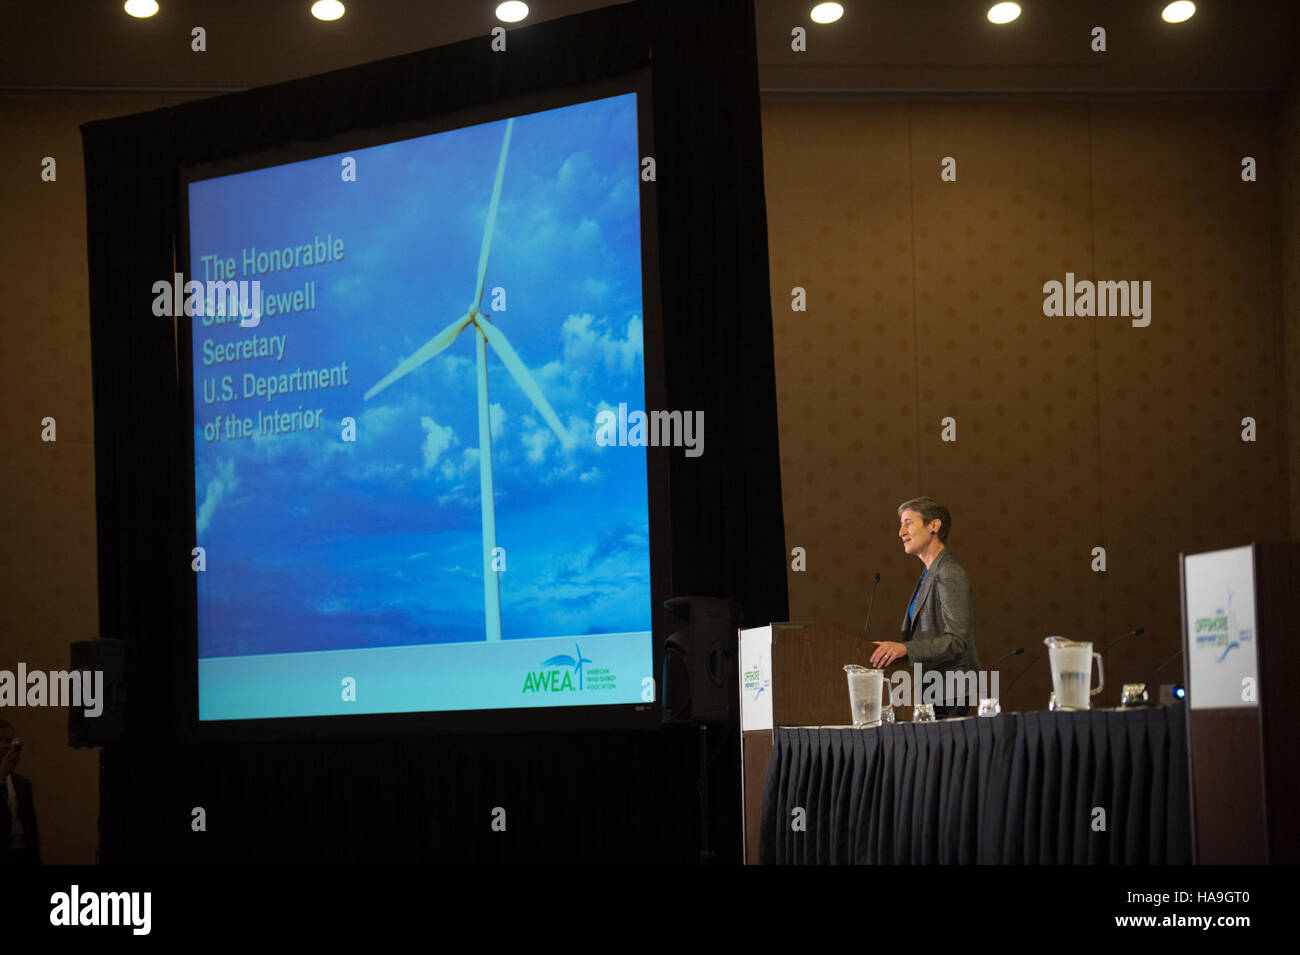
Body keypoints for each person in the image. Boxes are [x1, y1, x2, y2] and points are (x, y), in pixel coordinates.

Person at [869, 497, 980, 717]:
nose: (901, 532)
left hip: (950, 690)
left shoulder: (949, 572)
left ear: (934, 526)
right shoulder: (929, 574)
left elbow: (957, 641)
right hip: (929, 689)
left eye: (908, 522)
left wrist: (905, 649)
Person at [0, 718, 41, 864]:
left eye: (8, 740)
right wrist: (1, 777)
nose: (5, 746)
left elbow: (31, 825)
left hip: (24, 853)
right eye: (0, 741)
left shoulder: (23, 783)